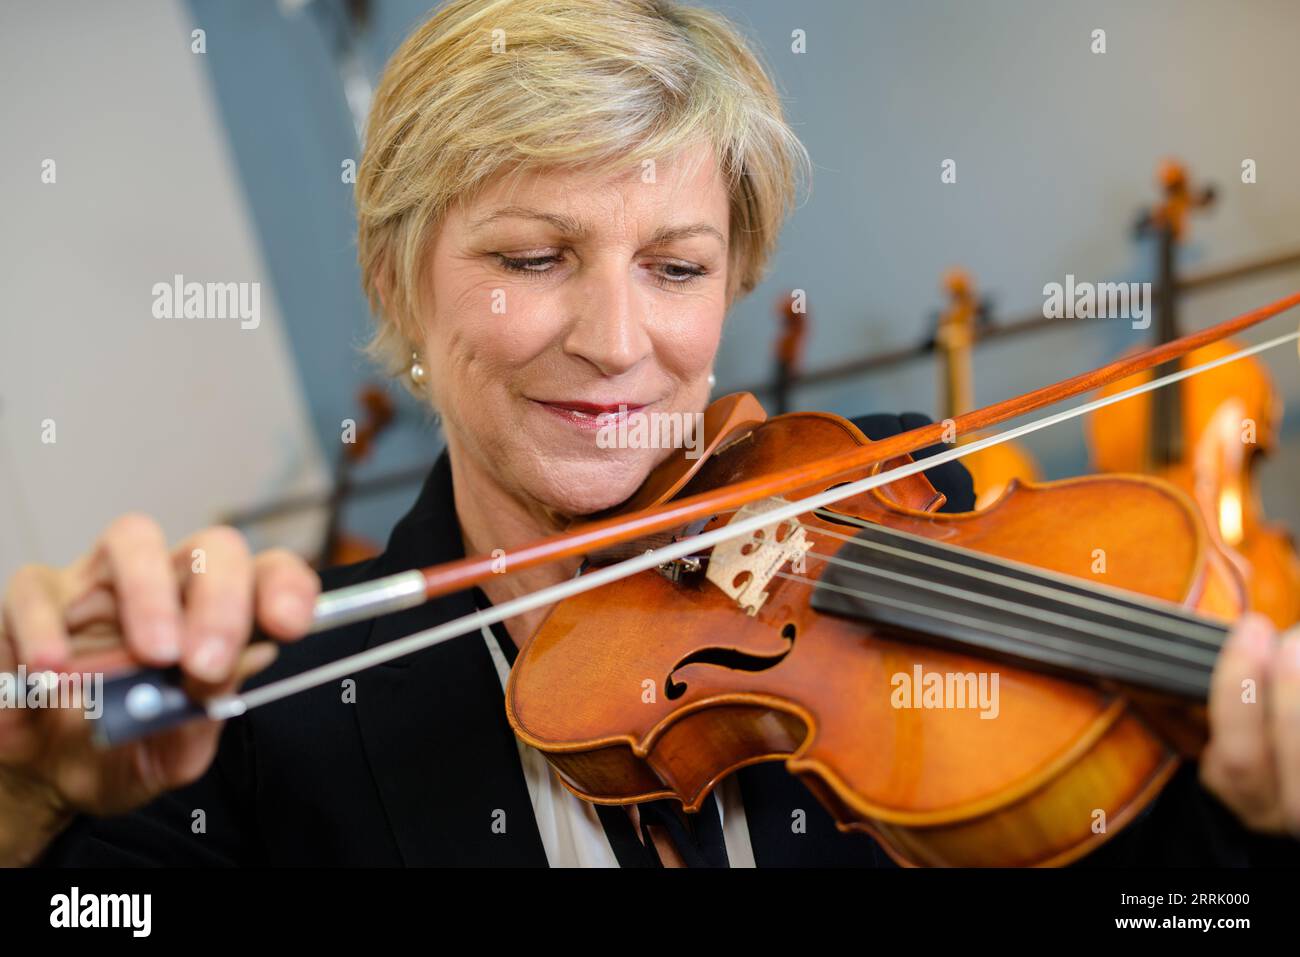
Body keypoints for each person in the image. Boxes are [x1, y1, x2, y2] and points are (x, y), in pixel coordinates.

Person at [3, 0, 1298, 867]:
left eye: (676, 268)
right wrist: (27, 797)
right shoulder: (278, 708)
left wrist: (1258, 821)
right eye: (533, 254)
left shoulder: (914, 485)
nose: (618, 339)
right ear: (394, 281)